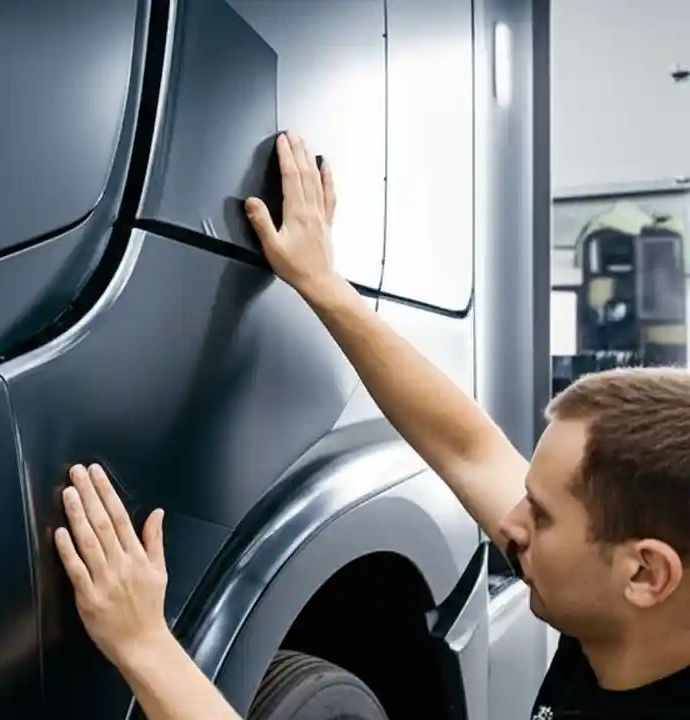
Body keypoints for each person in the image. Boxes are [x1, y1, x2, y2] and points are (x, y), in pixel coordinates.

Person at [52, 131, 690, 719]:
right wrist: (323, 282)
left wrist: (142, 644)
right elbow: (468, 447)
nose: (509, 523)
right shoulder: (634, 610)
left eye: (542, 515)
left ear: (645, 574)